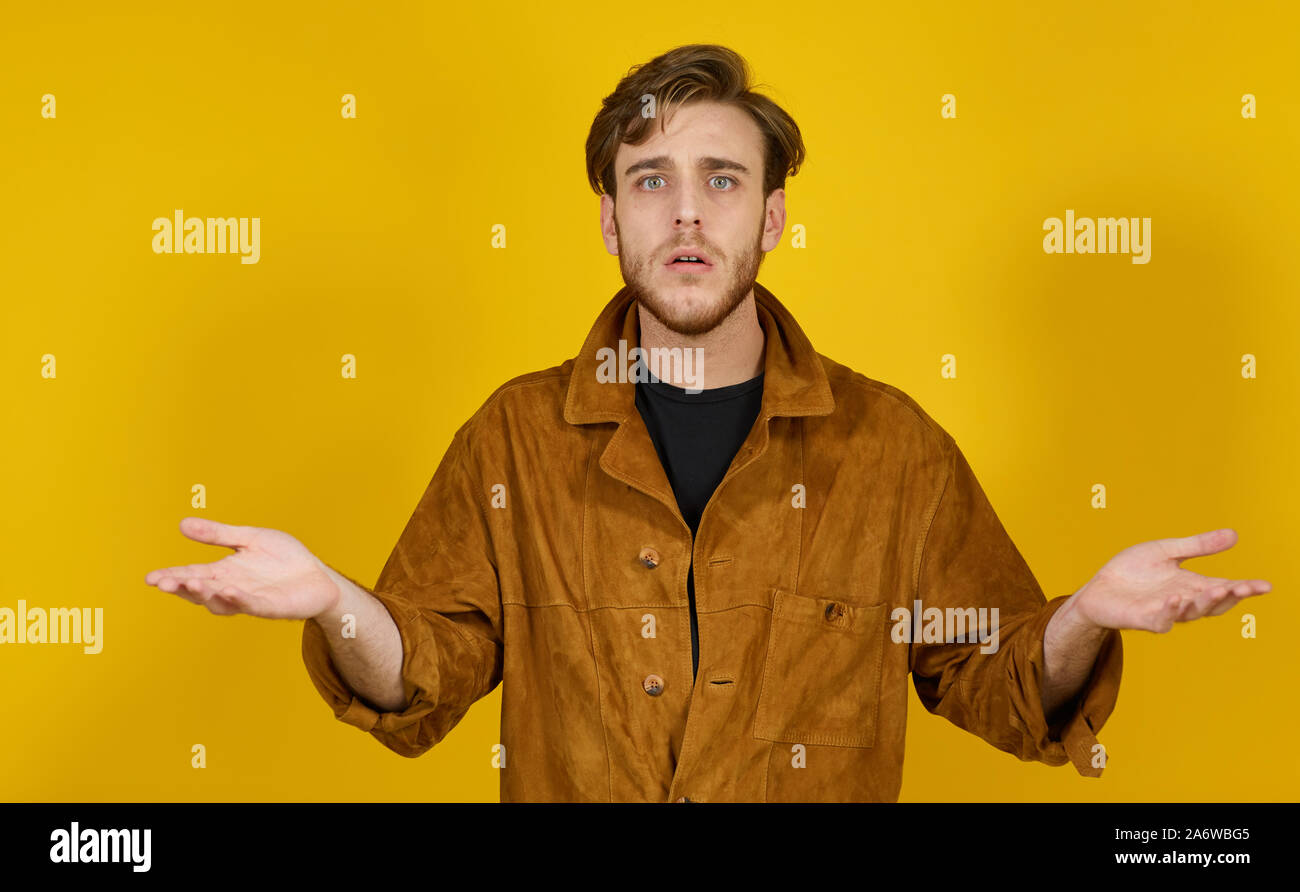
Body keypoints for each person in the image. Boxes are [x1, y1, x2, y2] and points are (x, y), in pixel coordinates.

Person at [145, 43, 1271, 802]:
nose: (686, 210)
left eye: (722, 179)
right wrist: (338, 601)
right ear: (608, 216)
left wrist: (1080, 616)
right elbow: (426, 675)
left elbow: (1000, 681)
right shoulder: (513, 439)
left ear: (772, 214)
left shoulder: (891, 447)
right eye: (651, 180)